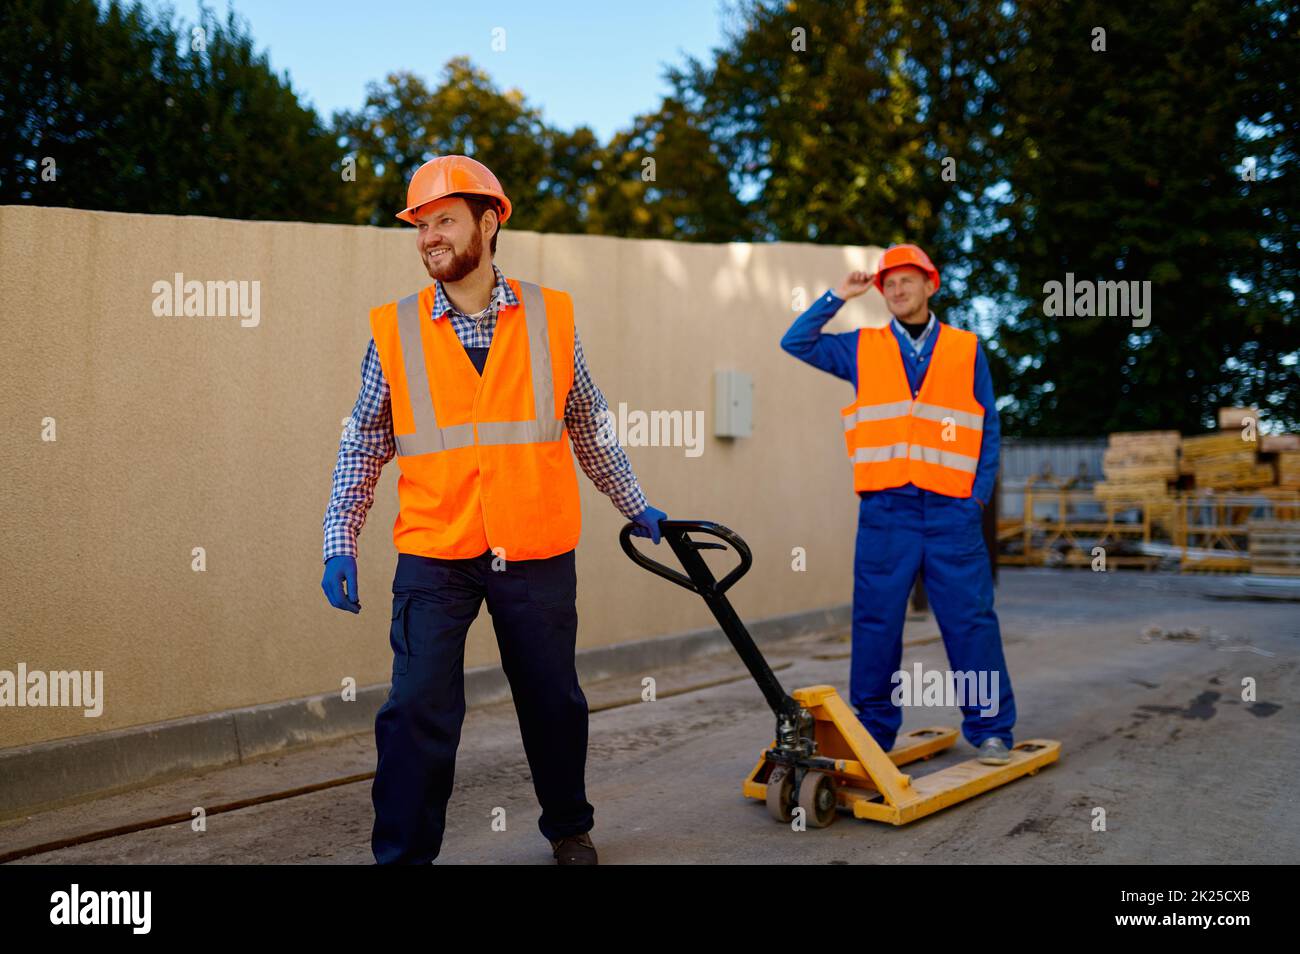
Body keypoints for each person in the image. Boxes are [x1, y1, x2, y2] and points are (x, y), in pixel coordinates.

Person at [320, 155, 668, 864]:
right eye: (420, 226)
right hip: (434, 551)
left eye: (443, 220)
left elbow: (588, 422)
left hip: (534, 547)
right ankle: (403, 859)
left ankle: (569, 826)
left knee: (553, 703)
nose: (428, 238)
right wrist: (340, 540)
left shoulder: (550, 315)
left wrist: (636, 504)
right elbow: (362, 442)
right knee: (416, 710)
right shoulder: (394, 329)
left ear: (489, 220)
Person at [779, 244, 1016, 765]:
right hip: (887, 510)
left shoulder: (965, 348)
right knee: (876, 621)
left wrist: (976, 497)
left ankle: (992, 729)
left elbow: (989, 430)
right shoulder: (861, 348)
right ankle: (874, 731)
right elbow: (795, 341)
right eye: (888, 284)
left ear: (931, 285)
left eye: (907, 281)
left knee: (970, 621)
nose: (896, 290)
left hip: (952, 510)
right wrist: (838, 295)